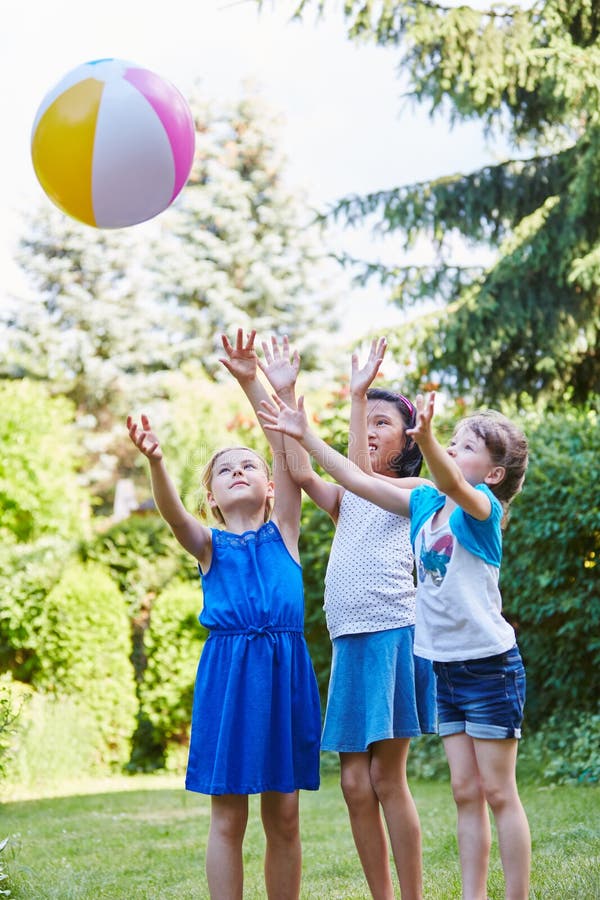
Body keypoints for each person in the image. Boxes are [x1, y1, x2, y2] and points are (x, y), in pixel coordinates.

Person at [259, 360, 532, 900]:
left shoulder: (480, 508)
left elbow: (448, 479)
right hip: (438, 661)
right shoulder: (422, 505)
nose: (452, 449)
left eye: (465, 445)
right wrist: (300, 426)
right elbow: (351, 475)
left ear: (494, 473)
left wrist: (426, 439)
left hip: (477, 659)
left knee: (496, 791)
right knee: (459, 790)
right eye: (451, 440)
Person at [126, 329, 321, 900]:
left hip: (285, 675)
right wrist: (157, 463)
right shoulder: (207, 544)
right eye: (225, 469)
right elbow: (170, 512)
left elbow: (288, 450)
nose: (239, 470)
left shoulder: (285, 530)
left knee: (284, 818)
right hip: (230, 679)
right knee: (228, 820)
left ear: (267, 489)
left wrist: (249, 379)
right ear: (211, 495)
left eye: (249, 467)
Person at [258, 336, 436, 900]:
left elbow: (358, 473)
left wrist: (357, 398)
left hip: (391, 635)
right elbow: (301, 470)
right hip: (350, 643)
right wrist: (282, 390)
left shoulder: (415, 489)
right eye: (368, 421)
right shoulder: (349, 498)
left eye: (384, 422)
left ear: (408, 443)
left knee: (387, 778)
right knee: (355, 785)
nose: (372, 429)